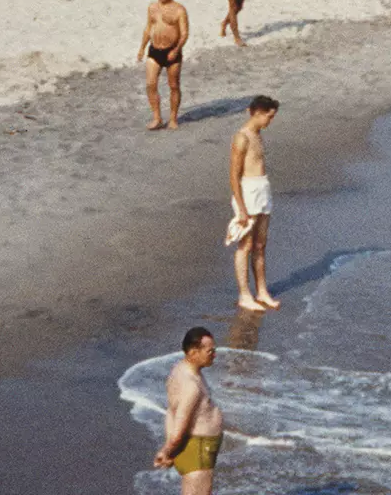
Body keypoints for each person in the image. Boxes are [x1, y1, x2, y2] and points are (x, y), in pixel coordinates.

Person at [153, 326, 223, 492]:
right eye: (210, 351)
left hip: (196, 446)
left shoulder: (179, 370)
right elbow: (180, 425)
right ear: (193, 352)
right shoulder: (191, 386)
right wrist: (168, 451)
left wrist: (169, 447)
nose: (214, 355)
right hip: (197, 448)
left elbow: (171, 410)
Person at [229, 95, 281, 312]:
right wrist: (241, 208)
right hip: (248, 192)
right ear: (258, 113)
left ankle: (262, 291)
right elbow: (233, 175)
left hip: (262, 189)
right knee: (246, 245)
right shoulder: (242, 138)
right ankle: (244, 294)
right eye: (269, 117)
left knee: (260, 245)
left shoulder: (258, 135)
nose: (270, 121)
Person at [138, 0, 190, 130]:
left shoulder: (179, 10)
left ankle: (173, 118)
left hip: (172, 51)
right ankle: (157, 117)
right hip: (154, 50)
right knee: (150, 84)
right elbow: (148, 28)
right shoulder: (152, 7)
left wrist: (177, 49)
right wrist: (142, 47)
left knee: (174, 85)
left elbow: (185, 33)